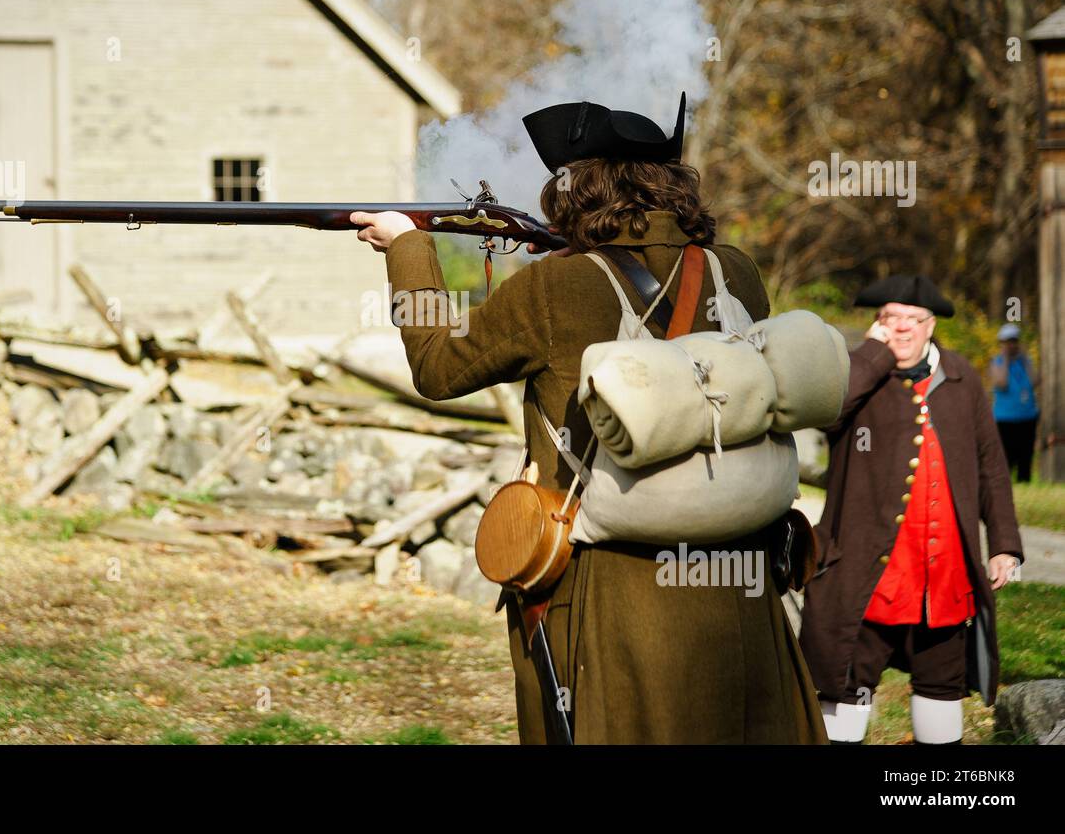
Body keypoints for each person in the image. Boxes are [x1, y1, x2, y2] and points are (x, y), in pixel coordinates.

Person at [350, 97, 826, 744]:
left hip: (615, 589)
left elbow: (437, 369)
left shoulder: (555, 285)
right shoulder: (733, 270)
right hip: (741, 580)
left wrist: (407, 248)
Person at [799, 275, 1024, 744]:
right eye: (889, 318)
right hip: (867, 578)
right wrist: (872, 355)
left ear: (930, 324)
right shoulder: (855, 373)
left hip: (944, 581)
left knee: (941, 690)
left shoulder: (961, 378)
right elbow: (827, 410)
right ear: (876, 325)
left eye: (911, 319)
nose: (901, 328)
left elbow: (992, 468)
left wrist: (1004, 545)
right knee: (846, 690)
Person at [990, 323, 1039, 483]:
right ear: (1002, 344)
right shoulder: (997, 363)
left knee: (1025, 457)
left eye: (1014, 341)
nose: (1012, 345)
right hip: (1005, 419)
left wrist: (1025, 358)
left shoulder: (1025, 362)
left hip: (1027, 417)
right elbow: (1001, 383)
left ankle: (1024, 483)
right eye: (1008, 342)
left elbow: (1035, 381)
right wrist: (1005, 358)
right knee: (1006, 458)